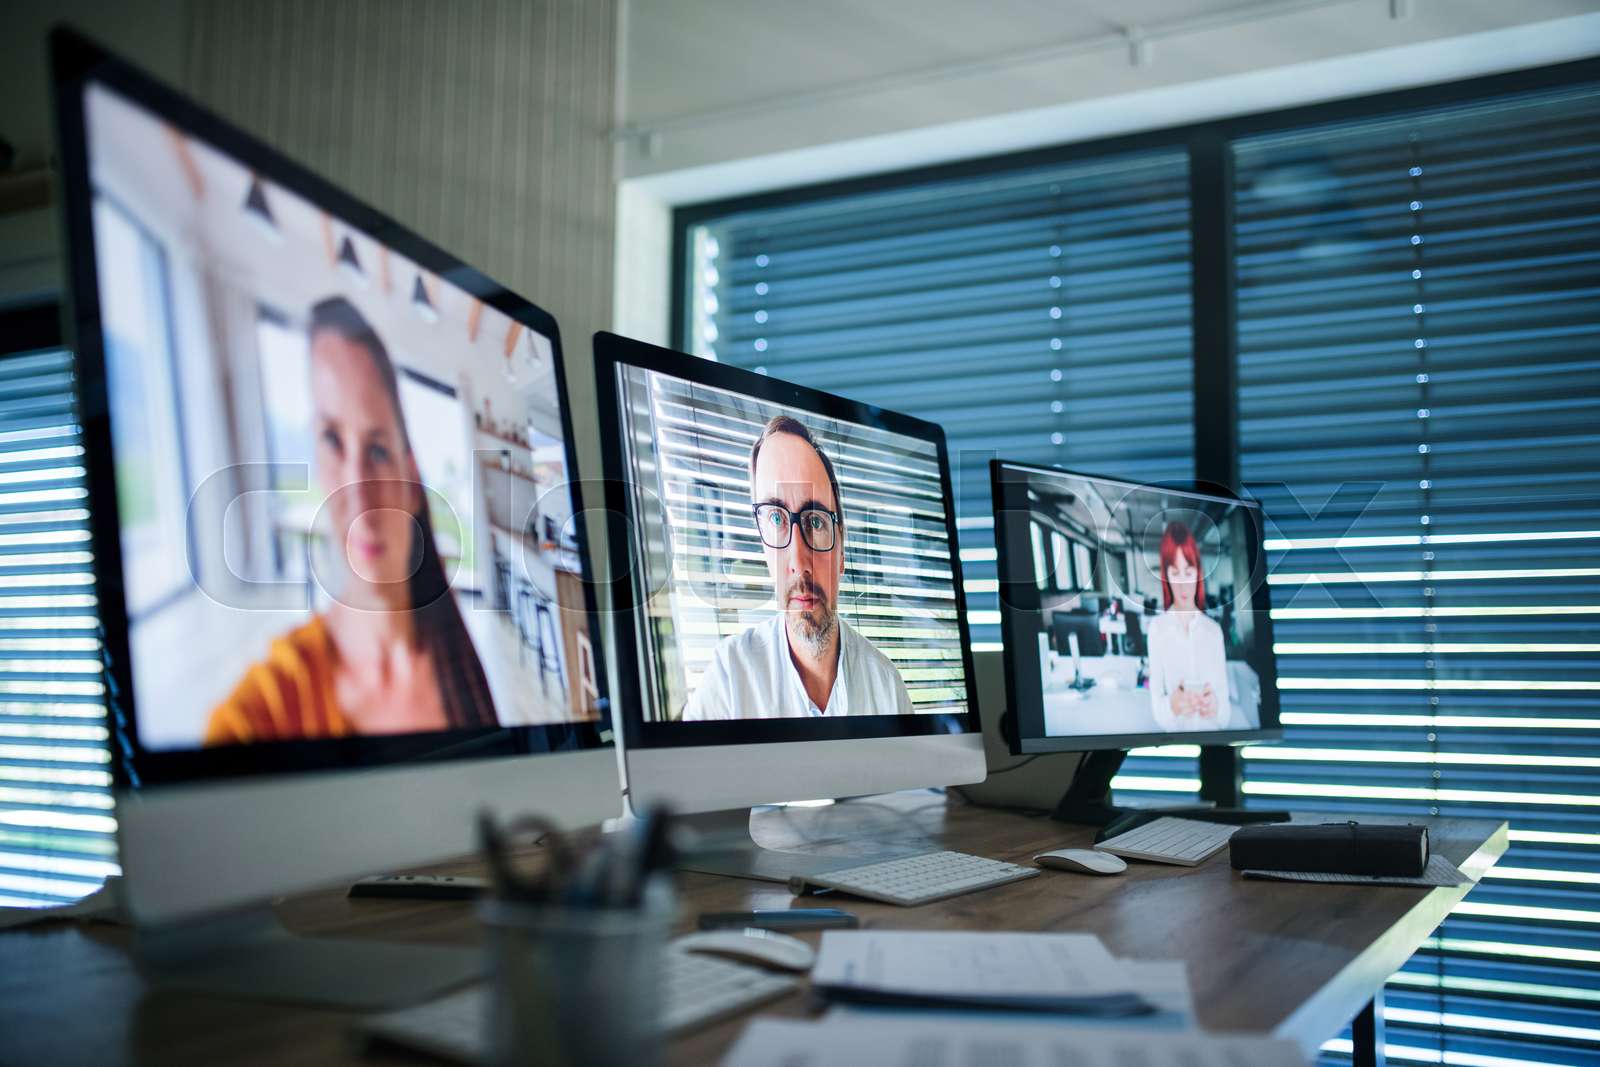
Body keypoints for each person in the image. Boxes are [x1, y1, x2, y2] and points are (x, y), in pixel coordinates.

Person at [205, 297, 497, 743]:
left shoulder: (461, 674)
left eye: (378, 450)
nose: (359, 494)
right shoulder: (260, 715)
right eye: (332, 440)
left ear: (412, 480)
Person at [681, 415, 914, 720]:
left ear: (842, 551)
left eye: (816, 521)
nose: (798, 562)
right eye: (776, 519)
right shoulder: (728, 682)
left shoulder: (886, 686)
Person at [1146, 520, 1230, 732]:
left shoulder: (1213, 631)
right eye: (1175, 573)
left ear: (1198, 573)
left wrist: (1216, 707)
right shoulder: (1157, 630)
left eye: (1189, 572)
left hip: (1213, 745)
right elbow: (1157, 712)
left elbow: (1225, 714)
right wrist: (1171, 707)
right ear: (1166, 576)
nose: (1183, 584)